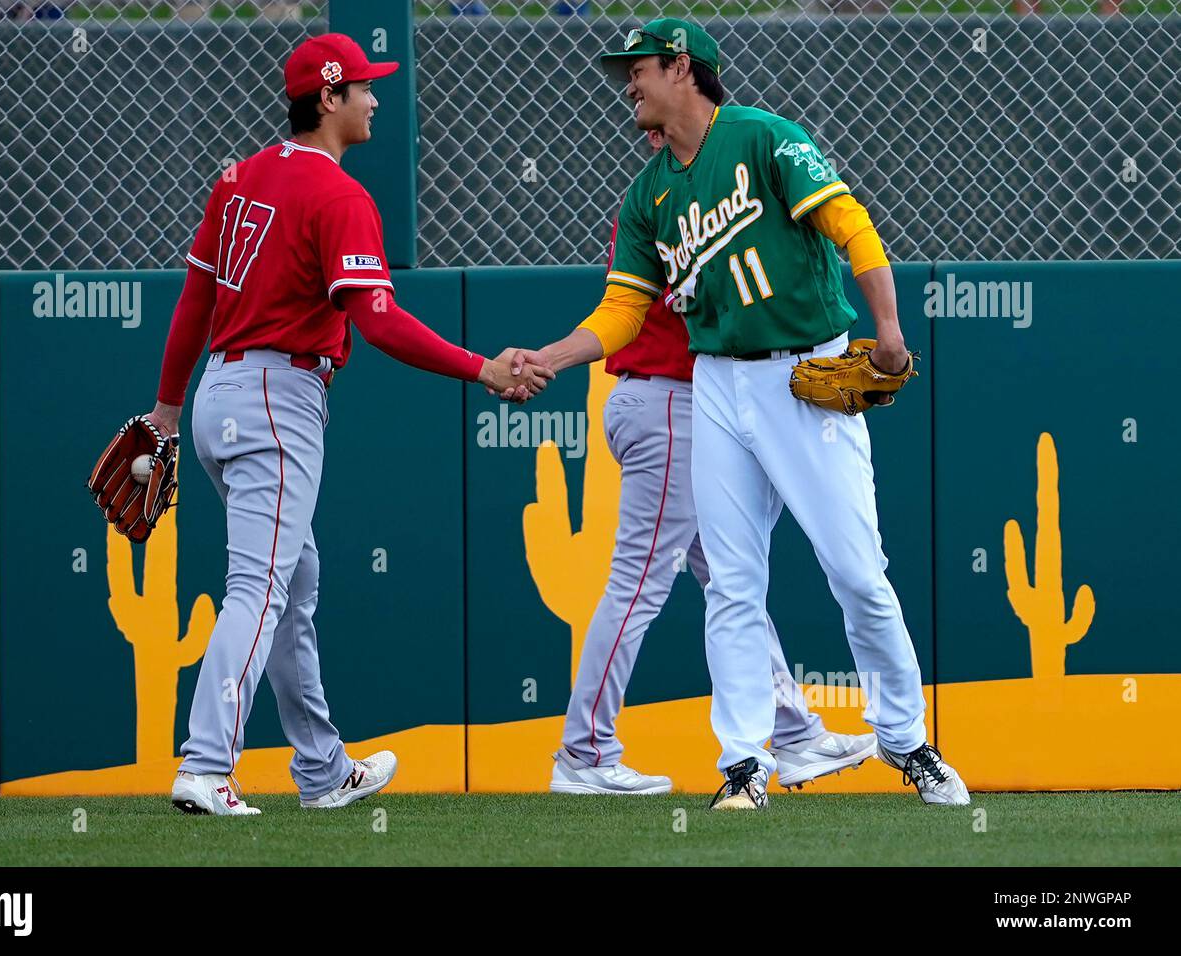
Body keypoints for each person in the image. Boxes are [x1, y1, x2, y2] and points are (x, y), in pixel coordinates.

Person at [508, 17, 969, 810]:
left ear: (683, 67)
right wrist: (551, 357)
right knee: (731, 583)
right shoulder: (649, 193)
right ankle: (746, 763)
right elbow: (624, 309)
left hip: (804, 373)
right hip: (717, 383)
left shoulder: (762, 138)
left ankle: (907, 740)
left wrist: (888, 328)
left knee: (857, 573)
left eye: (641, 68)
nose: (629, 83)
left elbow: (848, 221)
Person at [150, 33, 551, 815]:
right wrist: (483, 369)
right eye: (364, 87)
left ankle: (322, 768)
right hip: (277, 397)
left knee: (292, 586)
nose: (375, 99)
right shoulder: (339, 196)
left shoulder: (239, 178)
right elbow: (379, 321)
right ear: (327, 99)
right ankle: (204, 765)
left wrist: (166, 413)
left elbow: (194, 303)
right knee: (260, 588)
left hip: (217, 400)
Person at [552, 129, 875, 797]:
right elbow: (627, 310)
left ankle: (792, 732)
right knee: (639, 583)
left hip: (670, 401)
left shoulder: (684, 196)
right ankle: (583, 752)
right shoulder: (665, 203)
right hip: (671, 403)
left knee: (730, 581)